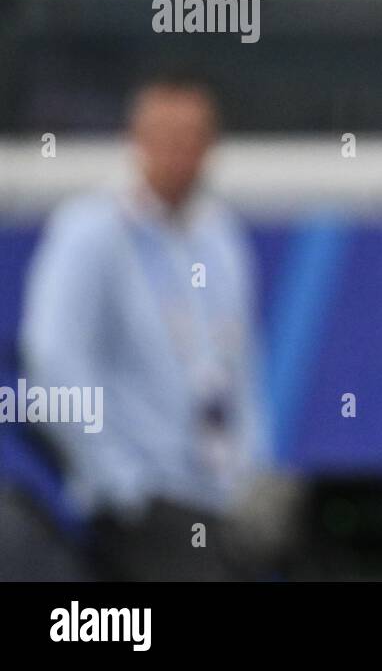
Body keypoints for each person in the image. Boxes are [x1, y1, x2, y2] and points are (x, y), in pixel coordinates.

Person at [20, 72, 270, 580]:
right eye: (165, 139)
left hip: (220, 495)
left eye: (192, 139)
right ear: (136, 143)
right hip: (142, 500)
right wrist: (115, 480)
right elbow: (51, 358)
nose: (179, 154)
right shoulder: (91, 233)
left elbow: (240, 363)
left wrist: (253, 472)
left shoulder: (221, 237)